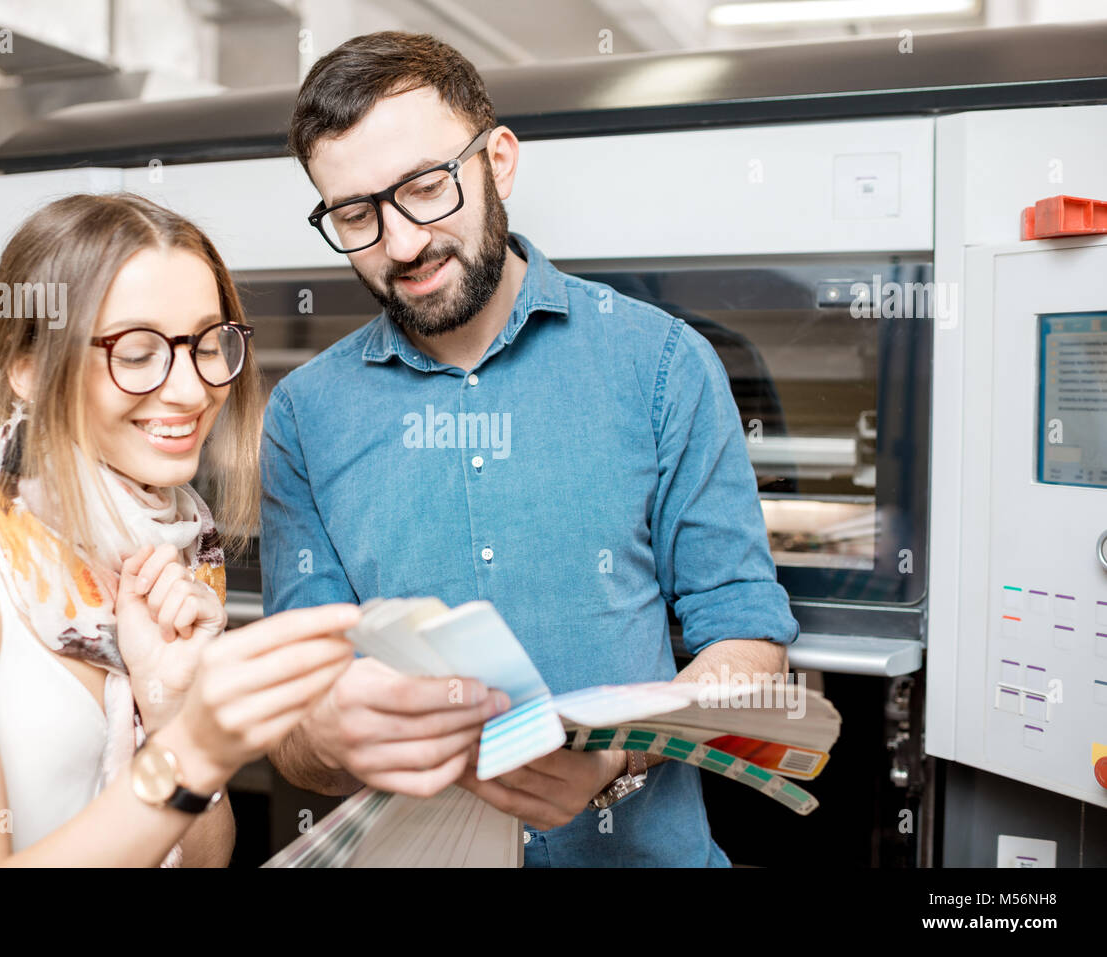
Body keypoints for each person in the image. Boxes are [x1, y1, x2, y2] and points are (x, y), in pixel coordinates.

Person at [261, 31, 799, 867]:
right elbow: (296, 740)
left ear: (498, 162)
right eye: (357, 215)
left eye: (425, 189)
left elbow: (750, 652)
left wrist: (618, 751)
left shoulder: (659, 363)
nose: (401, 245)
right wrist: (326, 734)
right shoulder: (303, 414)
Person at [0, 192, 359, 867]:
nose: (193, 390)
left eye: (207, 343)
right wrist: (190, 749)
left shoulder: (167, 559)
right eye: (138, 352)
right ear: (27, 367)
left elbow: (202, 860)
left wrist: (168, 709)